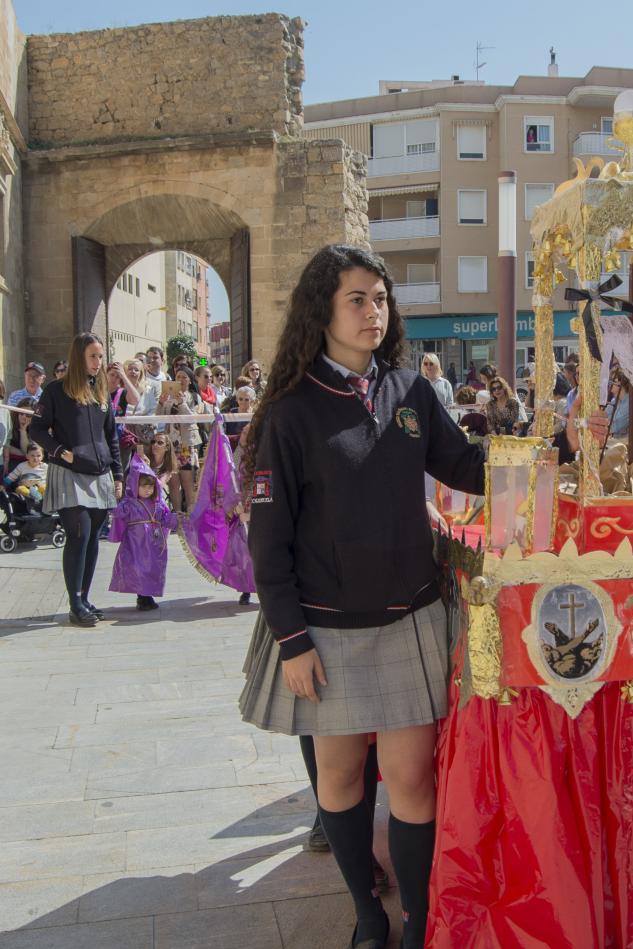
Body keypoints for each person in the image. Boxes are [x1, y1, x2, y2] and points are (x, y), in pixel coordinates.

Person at [237, 244, 487, 949]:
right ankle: (367, 914)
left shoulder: (411, 390)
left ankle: (414, 921)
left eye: (380, 298)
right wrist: (291, 638)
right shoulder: (288, 413)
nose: (374, 311)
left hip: (410, 616)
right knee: (342, 780)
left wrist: (545, 447)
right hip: (325, 629)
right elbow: (268, 540)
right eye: (358, 298)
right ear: (324, 310)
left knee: (412, 782)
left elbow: (465, 464)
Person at [29, 333, 125, 627]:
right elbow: (37, 429)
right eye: (93, 356)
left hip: (99, 473)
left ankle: (83, 598)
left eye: (100, 356)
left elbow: (110, 436)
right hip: (69, 472)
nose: (98, 362)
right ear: (79, 357)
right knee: (79, 533)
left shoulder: (101, 392)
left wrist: (118, 473)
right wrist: (60, 452)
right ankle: (75, 603)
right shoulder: (56, 391)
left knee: (93, 536)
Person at [108, 453, 177, 611]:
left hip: (154, 542)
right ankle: (143, 596)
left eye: (150, 486)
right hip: (136, 542)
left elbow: (166, 519)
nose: (147, 490)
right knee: (139, 568)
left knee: (153, 567)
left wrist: (179, 519)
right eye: (143, 486)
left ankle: (148, 594)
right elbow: (118, 513)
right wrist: (113, 500)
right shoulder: (130, 503)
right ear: (134, 485)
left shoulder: (157, 503)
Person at [157, 366, 210, 512]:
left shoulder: (194, 397)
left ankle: (191, 516)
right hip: (171, 445)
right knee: (173, 484)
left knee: (188, 483)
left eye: (184, 377)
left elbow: (191, 419)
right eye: (178, 376)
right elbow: (159, 416)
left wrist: (181, 403)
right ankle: (177, 515)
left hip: (187, 445)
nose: (180, 380)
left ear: (190, 380)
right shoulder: (169, 395)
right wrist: (161, 403)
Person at [5, 397, 38, 472]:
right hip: (12, 461)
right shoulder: (10, 422)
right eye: (21, 413)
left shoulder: (37, 428)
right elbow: (6, 446)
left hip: (31, 462)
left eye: (28, 415)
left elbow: (26, 450)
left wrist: (23, 431)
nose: (24, 417)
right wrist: (26, 454)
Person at [606, 367, 631, 438]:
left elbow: (616, 426)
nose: (610, 383)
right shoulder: (614, 401)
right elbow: (604, 416)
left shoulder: (629, 403)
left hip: (623, 442)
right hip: (613, 439)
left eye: (613, 380)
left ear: (621, 383)